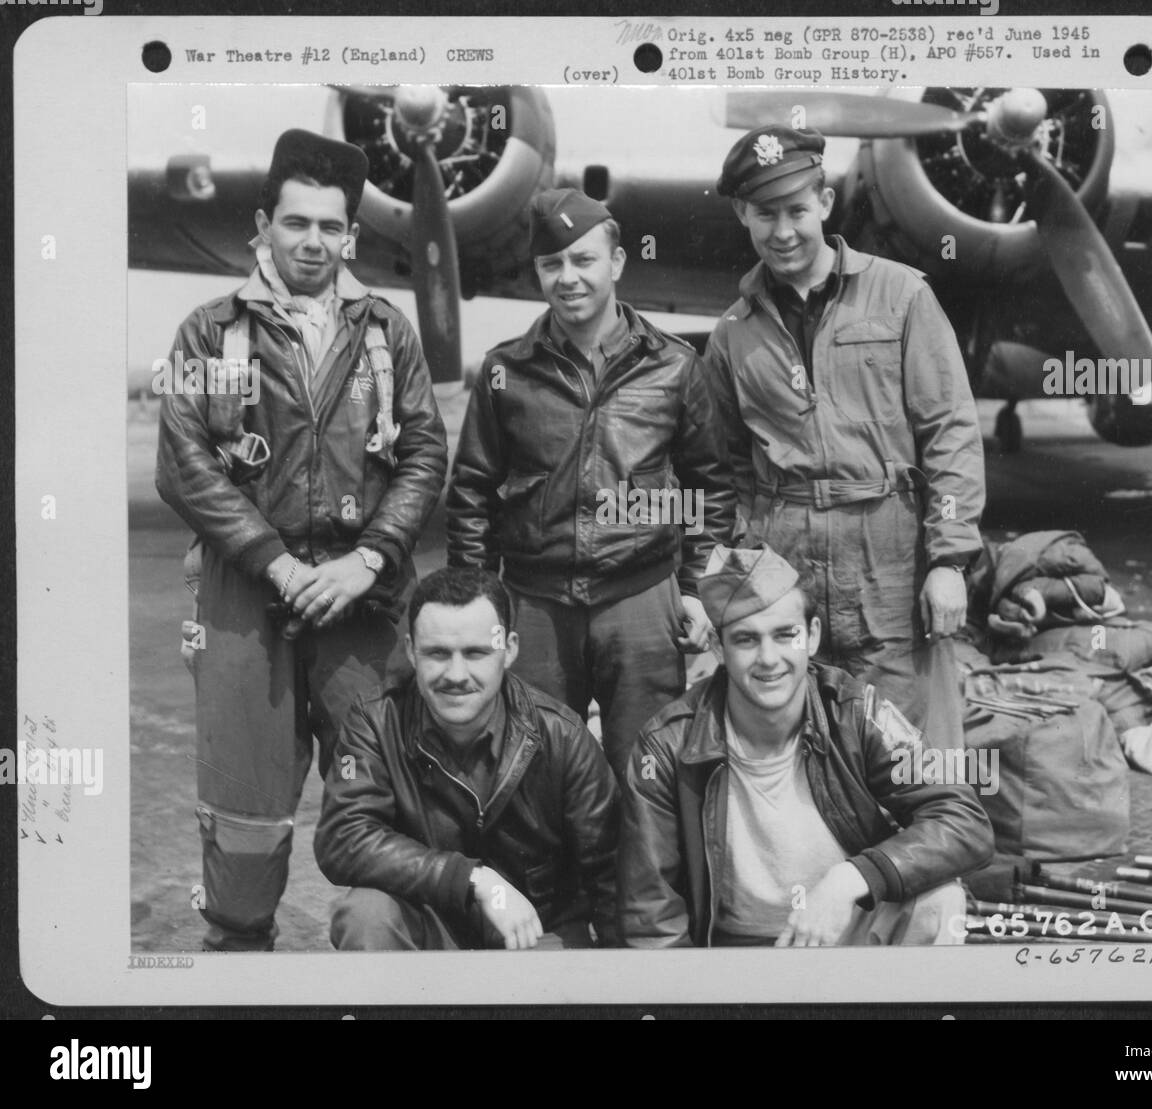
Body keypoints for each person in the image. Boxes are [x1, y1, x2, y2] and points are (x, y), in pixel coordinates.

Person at [155, 129, 448, 951]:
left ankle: (387, 966)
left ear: (351, 234)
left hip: (362, 604)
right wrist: (276, 560)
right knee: (244, 820)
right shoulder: (211, 334)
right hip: (250, 599)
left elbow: (425, 453)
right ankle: (239, 956)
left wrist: (369, 557)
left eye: (330, 227)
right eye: (296, 224)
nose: (313, 243)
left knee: (385, 806)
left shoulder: (386, 333)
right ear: (263, 225)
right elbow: (184, 466)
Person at [447, 187, 735, 777]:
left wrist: (697, 588)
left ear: (617, 264)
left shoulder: (675, 366)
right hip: (535, 601)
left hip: (641, 601)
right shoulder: (506, 370)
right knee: (536, 773)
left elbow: (709, 487)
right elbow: (473, 492)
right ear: (537, 271)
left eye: (583, 260)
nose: (568, 278)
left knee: (651, 774)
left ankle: (647, 875)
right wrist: (477, 602)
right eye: (552, 265)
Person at [704, 125, 985, 725]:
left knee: (900, 743)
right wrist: (734, 570)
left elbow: (950, 432)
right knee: (799, 742)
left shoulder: (902, 295)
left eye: (797, 210)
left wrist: (949, 560)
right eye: (764, 214)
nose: (782, 231)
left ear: (826, 204)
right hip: (783, 564)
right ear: (741, 215)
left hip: (888, 559)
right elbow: (722, 469)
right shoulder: (731, 332)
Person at [618, 544, 993, 948]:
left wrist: (853, 877)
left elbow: (963, 818)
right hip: (732, 958)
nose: (769, 658)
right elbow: (652, 915)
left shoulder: (854, 713)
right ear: (717, 648)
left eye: (785, 635)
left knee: (939, 902)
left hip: (841, 930)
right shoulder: (666, 746)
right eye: (746, 640)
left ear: (811, 636)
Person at [315, 567, 620, 950]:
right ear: (410, 650)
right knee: (366, 915)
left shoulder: (561, 735)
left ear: (509, 649)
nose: (456, 675)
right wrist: (475, 881)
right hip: (429, 924)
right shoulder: (375, 721)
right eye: (437, 653)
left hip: (535, 931)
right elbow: (343, 838)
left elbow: (611, 873)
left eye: (476, 653)